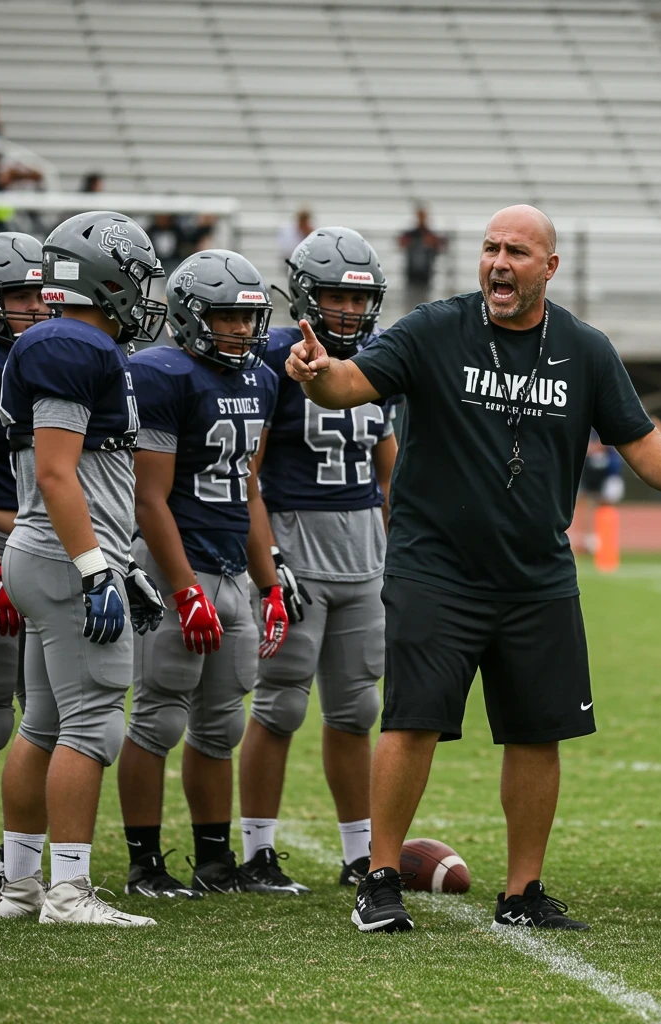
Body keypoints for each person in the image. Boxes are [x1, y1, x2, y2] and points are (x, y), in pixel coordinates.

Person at [286, 204, 661, 933]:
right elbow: (350, 384)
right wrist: (315, 374)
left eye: (517, 251)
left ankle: (522, 893)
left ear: (549, 267)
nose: (499, 263)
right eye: (490, 248)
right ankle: (379, 878)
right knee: (412, 721)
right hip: (435, 569)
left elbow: (637, 436)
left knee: (537, 732)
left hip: (537, 574)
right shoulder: (435, 328)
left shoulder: (583, 347)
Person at [0, 210, 167, 925]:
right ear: (108, 278)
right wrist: (98, 567)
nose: (143, 295)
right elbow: (60, 476)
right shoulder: (70, 343)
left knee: (41, 724)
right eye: (136, 279)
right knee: (92, 723)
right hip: (66, 556)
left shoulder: (66, 340)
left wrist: (118, 563)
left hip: (53, 553)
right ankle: (67, 892)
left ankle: (21, 887)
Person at [117, 250, 289, 898]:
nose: (241, 331)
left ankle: (215, 863)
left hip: (230, 568)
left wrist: (269, 582)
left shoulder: (261, 380)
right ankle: (143, 866)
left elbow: (249, 488)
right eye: (225, 316)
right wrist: (183, 588)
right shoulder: (163, 373)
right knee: (158, 718)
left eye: (248, 317)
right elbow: (148, 498)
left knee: (222, 722)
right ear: (191, 315)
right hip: (173, 564)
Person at [241, 227, 397, 890]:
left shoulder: (378, 362)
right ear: (305, 292)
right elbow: (247, 472)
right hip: (296, 544)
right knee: (278, 706)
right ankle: (257, 851)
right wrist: (268, 560)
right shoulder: (275, 356)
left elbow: (393, 474)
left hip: (363, 548)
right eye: (336, 296)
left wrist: (404, 553)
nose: (350, 312)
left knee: (357, 708)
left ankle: (360, 853)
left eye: (359, 300)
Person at [0, 231, 48, 902]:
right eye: (17, 294)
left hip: (43, 545)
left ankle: (20, 861)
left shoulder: (48, 355)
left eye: (38, 292)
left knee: (45, 714)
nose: (31, 306)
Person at [397, 205, 445, 310]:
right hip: (411, 275)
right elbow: (400, 242)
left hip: (426, 276)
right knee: (410, 304)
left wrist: (432, 243)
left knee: (425, 304)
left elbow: (442, 245)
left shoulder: (430, 234)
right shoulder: (411, 234)